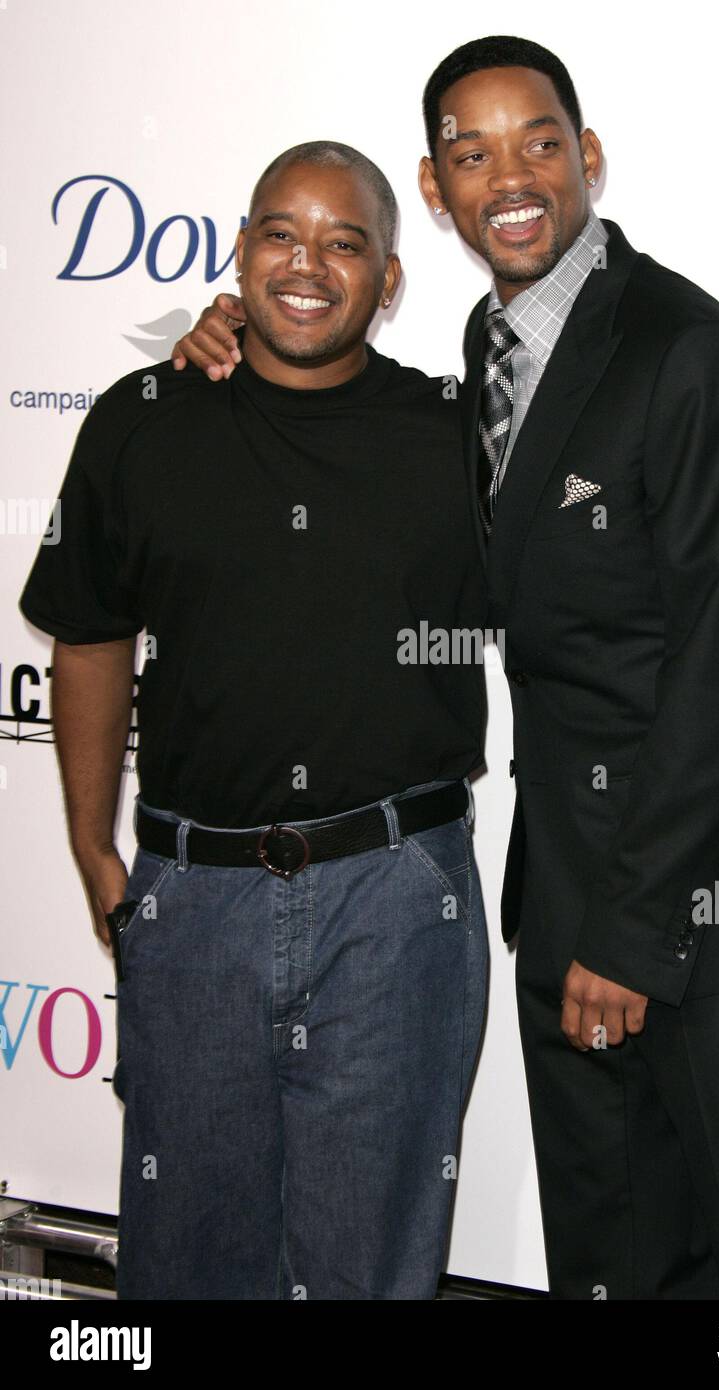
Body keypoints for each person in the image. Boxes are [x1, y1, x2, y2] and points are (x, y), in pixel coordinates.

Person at [172, 38, 719, 1300]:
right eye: (469, 150)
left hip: (718, 898)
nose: (509, 174)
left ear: (586, 158)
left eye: (537, 142)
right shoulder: (485, 358)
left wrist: (634, 926)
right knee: (614, 1264)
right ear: (433, 194)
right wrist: (232, 341)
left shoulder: (685, 349)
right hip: (570, 903)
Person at [19, 141, 489, 1301]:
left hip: (397, 900)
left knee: (365, 1263)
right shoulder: (142, 418)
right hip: (196, 898)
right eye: (282, 232)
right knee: (186, 1257)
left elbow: (597, 542)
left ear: (387, 280)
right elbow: (89, 634)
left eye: (345, 243)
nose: (308, 264)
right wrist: (92, 846)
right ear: (238, 251)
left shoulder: (455, 433)